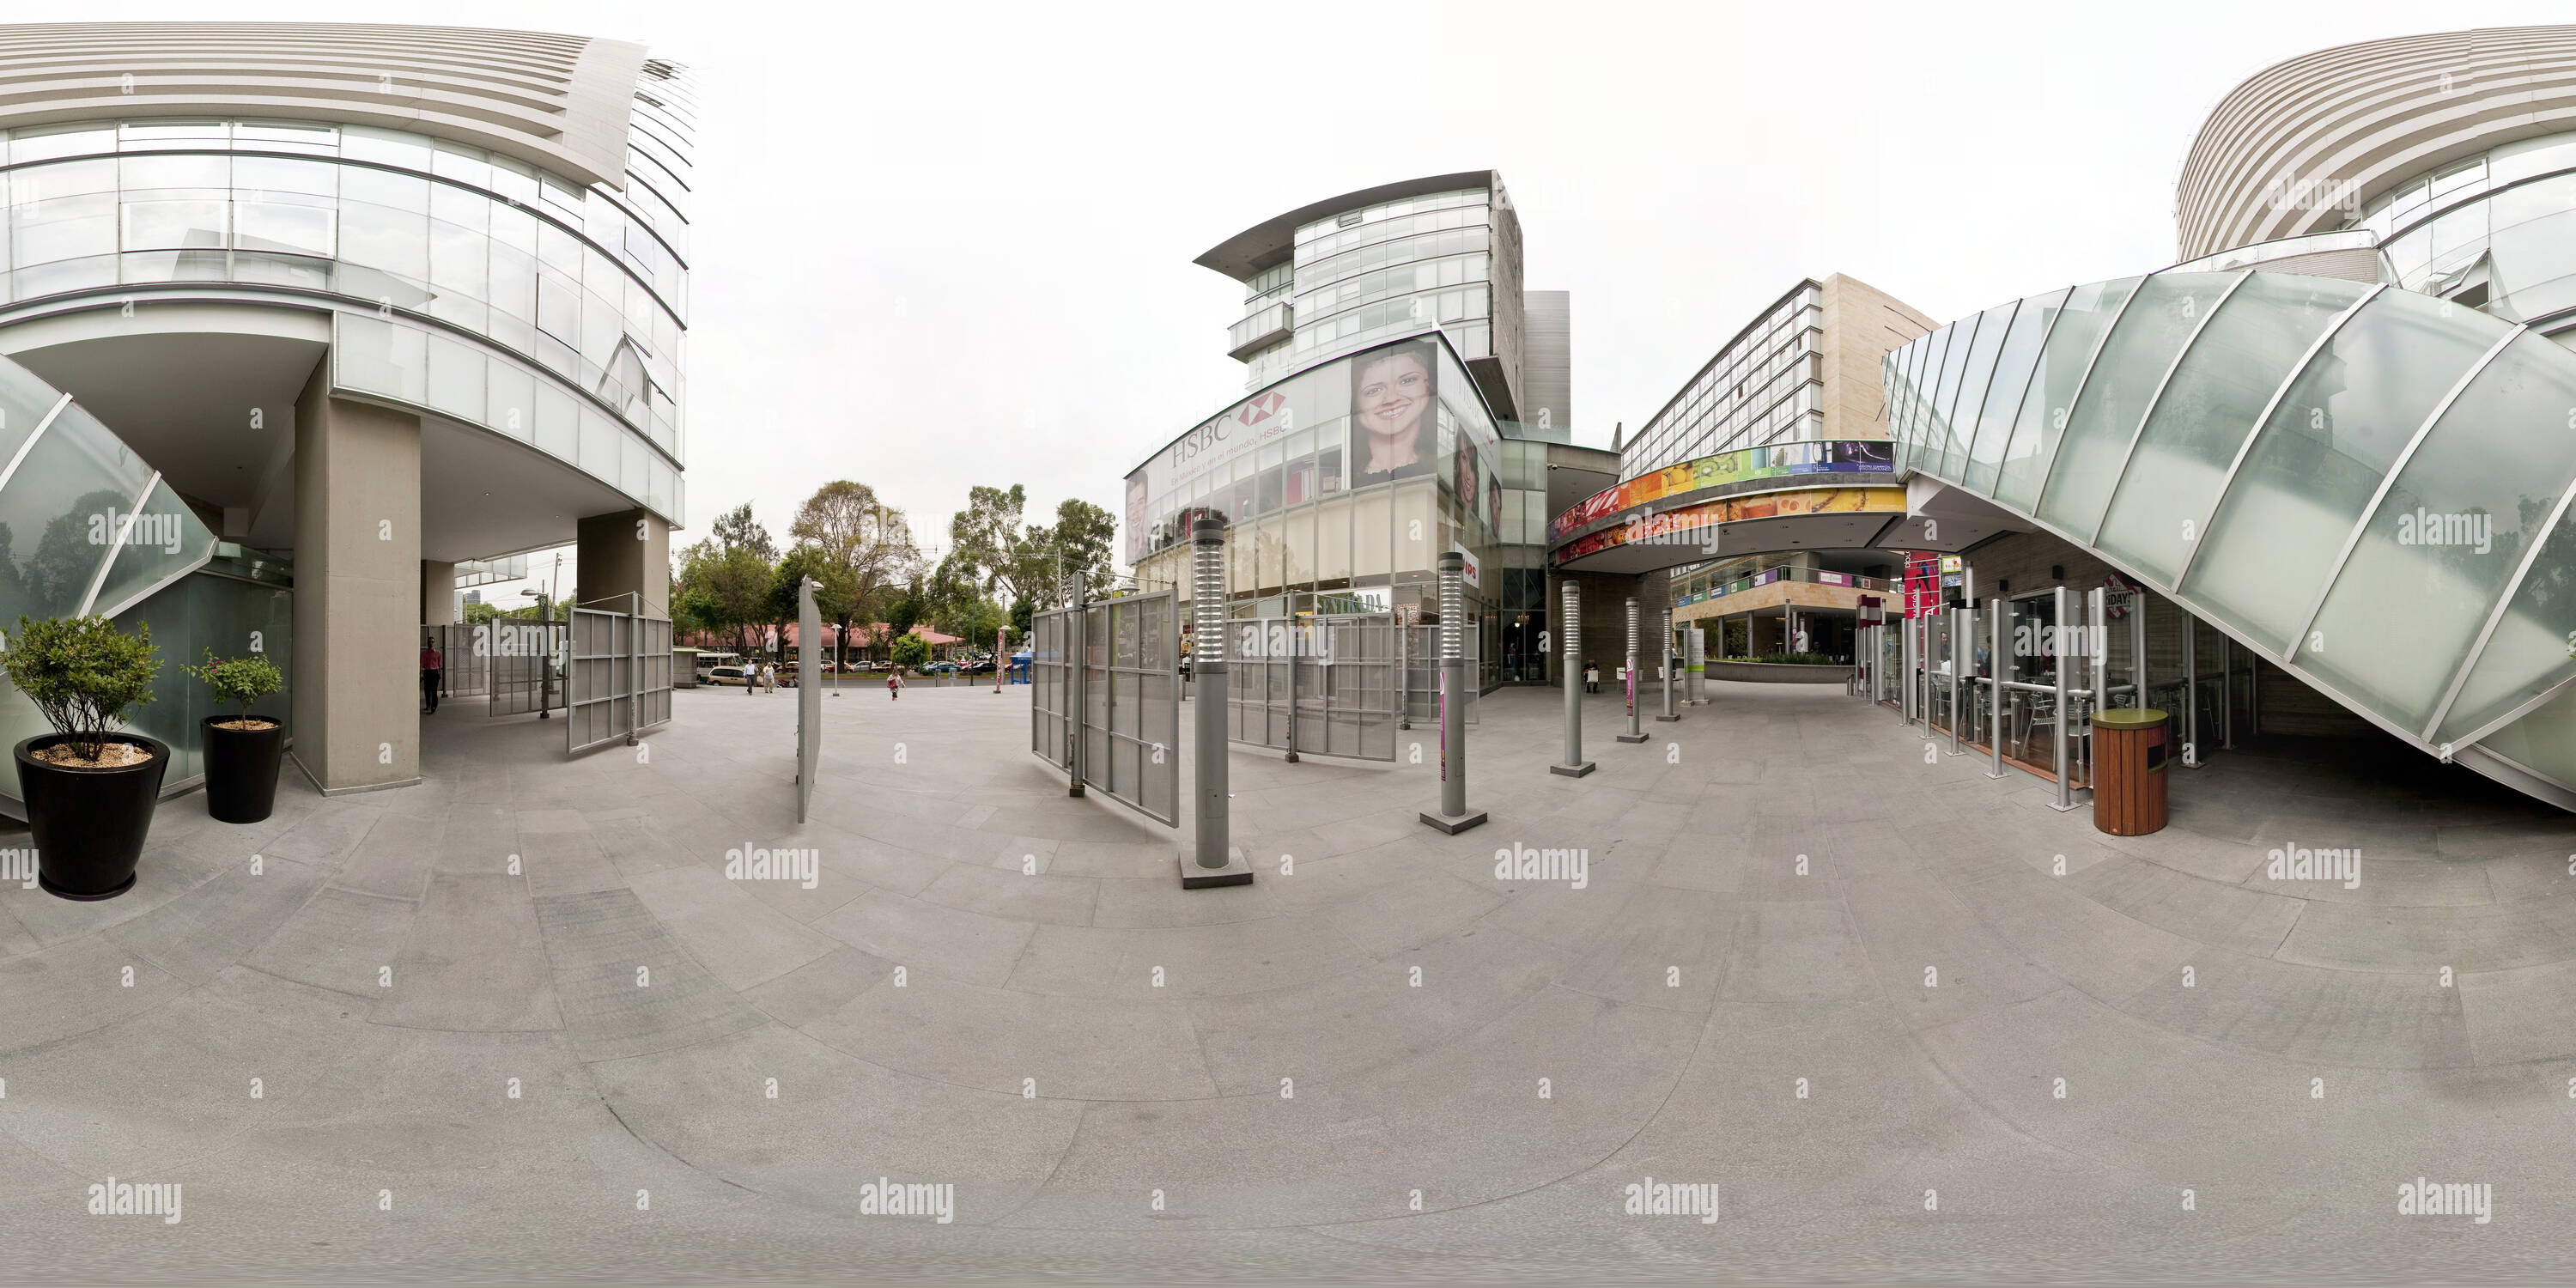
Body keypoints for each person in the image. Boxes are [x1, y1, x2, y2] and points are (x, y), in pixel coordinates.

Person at [1348, 340, 1439, 486]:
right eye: (1373, 391)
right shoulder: (1345, 478)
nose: (1391, 398)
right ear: (1356, 404)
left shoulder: (1444, 470)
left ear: (1429, 386)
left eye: (1407, 380)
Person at [419, 635, 443, 714]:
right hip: (427, 672)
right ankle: (428, 705)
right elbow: (421, 664)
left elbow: (439, 664)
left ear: (434, 643)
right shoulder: (424, 653)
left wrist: (440, 673)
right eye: (429, 642)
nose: (431, 643)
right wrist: (421, 673)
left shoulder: (438, 653)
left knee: (434, 691)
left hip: (435, 672)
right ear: (427, 643)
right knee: (427, 690)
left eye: (432, 642)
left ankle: (433, 707)